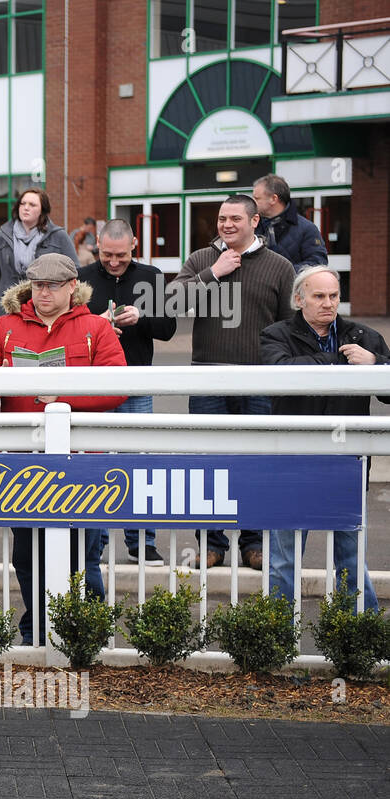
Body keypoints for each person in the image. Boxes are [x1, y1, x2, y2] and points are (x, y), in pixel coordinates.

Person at [0, 253, 126, 644]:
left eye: (53, 286)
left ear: (72, 286)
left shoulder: (96, 327)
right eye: (38, 285)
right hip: (23, 459)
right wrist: (0, 380)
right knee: (27, 554)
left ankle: (88, 633)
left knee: (82, 553)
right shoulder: (5, 326)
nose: (44, 293)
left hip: (81, 461)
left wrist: (61, 397)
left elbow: (117, 385)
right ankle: (37, 631)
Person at [167, 194, 294, 570]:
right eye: (222, 218)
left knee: (256, 462)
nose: (226, 224)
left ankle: (253, 542)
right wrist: (214, 273)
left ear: (255, 222)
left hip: (258, 380)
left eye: (235, 218)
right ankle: (212, 544)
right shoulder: (201, 260)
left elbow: (289, 326)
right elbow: (171, 302)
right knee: (208, 463)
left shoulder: (280, 267)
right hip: (208, 377)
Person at [261, 265, 387, 610]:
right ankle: (277, 636)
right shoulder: (276, 334)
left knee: (349, 555)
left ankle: (358, 636)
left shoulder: (363, 337)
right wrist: (339, 362)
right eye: (319, 296)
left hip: (345, 461)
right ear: (299, 299)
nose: (328, 303)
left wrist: (375, 363)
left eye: (334, 296)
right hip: (291, 461)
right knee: (284, 559)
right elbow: (280, 372)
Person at [78, 218, 176, 564]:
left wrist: (142, 317)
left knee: (138, 464)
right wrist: (97, 326)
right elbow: (71, 327)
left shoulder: (151, 276)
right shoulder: (83, 276)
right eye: (107, 255)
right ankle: (97, 543)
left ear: (134, 245)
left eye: (121, 255)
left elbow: (168, 328)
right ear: (98, 248)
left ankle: (142, 542)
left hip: (136, 381)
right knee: (98, 464)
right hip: (95, 384)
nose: (114, 261)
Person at [0, 188, 76, 318]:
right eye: (23, 203)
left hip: (45, 310)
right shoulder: (4, 235)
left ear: (42, 210)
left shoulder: (58, 236)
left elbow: (75, 272)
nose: (26, 208)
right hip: (8, 311)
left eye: (32, 205)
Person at [252, 174, 328, 272]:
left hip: (291, 287)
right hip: (252, 287)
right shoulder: (250, 226)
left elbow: (318, 263)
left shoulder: (307, 229)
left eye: (257, 198)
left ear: (274, 199)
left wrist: (283, 275)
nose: (252, 202)